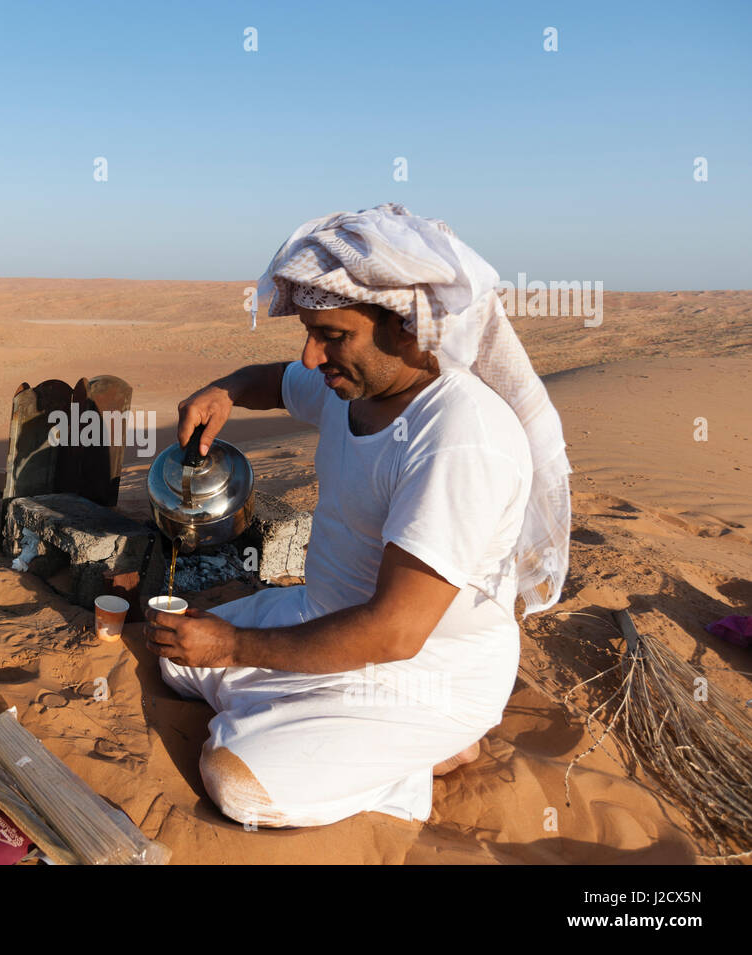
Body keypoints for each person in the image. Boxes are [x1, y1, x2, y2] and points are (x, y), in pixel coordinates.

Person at [145, 203, 571, 828]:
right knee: (175, 658)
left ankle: (431, 752)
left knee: (238, 783)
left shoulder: (459, 440)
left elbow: (395, 633)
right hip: (324, 614)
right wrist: (227, 388)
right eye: (311, 332)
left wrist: (235, 645)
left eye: (332, 335)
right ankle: (315, 720)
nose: (312, 356)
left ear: (407, 328)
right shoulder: (360, 385)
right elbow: (280, 380)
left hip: (420, 672)